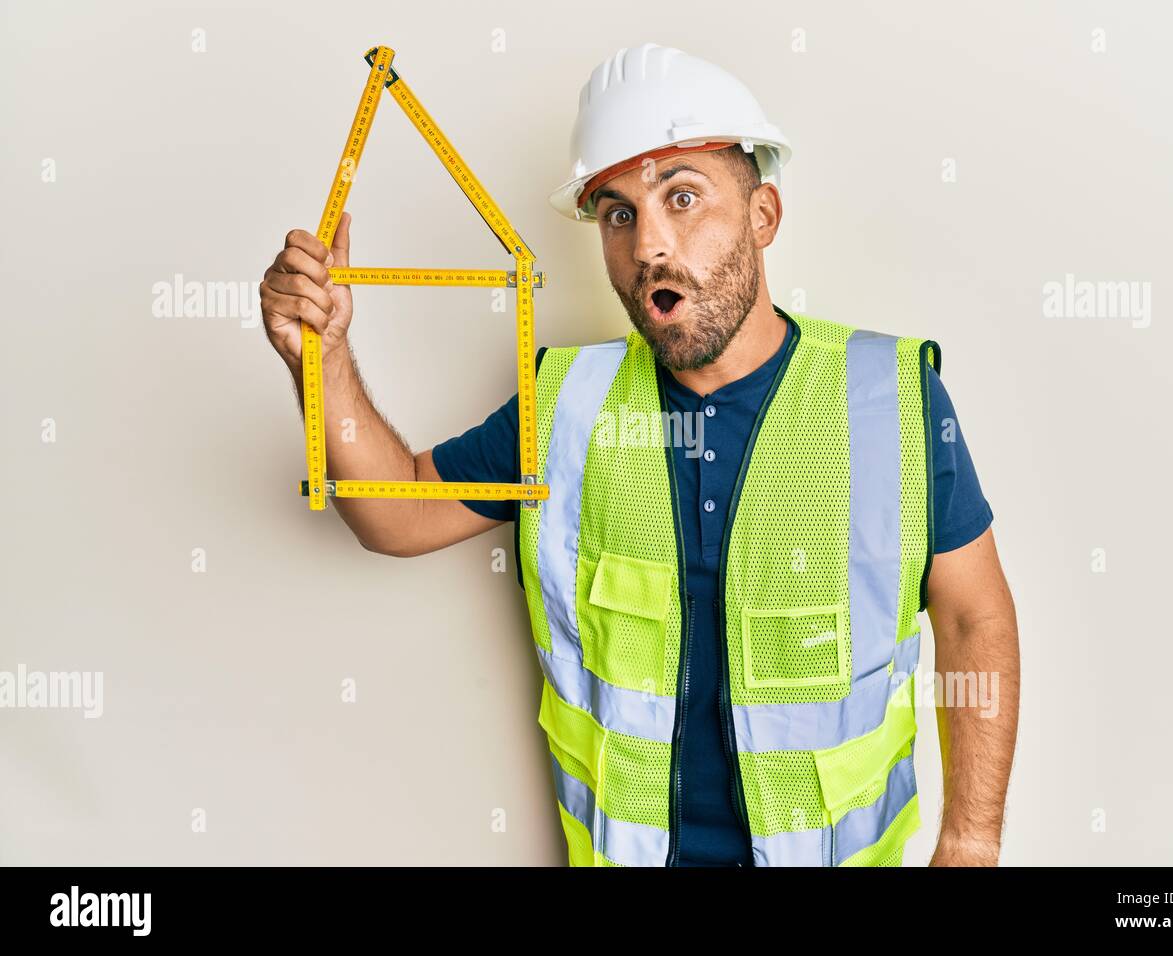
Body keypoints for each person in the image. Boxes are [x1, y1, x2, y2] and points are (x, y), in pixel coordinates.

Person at [260, 42, 1019, 867]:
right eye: (618, 213)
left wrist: (971, 841)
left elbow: (974, 617)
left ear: (763, 215)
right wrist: (322, 360)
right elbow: (392, 515)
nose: (649, 244)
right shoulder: (566, 407)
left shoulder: (890, 400)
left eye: (682, 196)